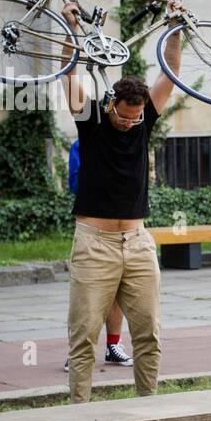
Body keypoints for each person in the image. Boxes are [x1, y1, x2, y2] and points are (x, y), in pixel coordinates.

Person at [61, 0, 181, 404]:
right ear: (111, 103)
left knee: (148, 332)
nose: (130, 123)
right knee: (84, 337)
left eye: (136, 117)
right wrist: (71, 32)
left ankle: (148, 407)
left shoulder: (144, 120)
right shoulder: (91, 120)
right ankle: (78, 413)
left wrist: (175, 29)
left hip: (138, 242)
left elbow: (172, 73)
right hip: (94, 242)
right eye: (124, 116)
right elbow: (69, 74)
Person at [63, 137, 133, 371]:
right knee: (87, 296)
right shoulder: (81, 144)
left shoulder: (129, 141)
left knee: (117, 290)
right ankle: (77, 352)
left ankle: (113, 346)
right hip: (93, 231)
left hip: (124, 230)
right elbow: (75, 184)